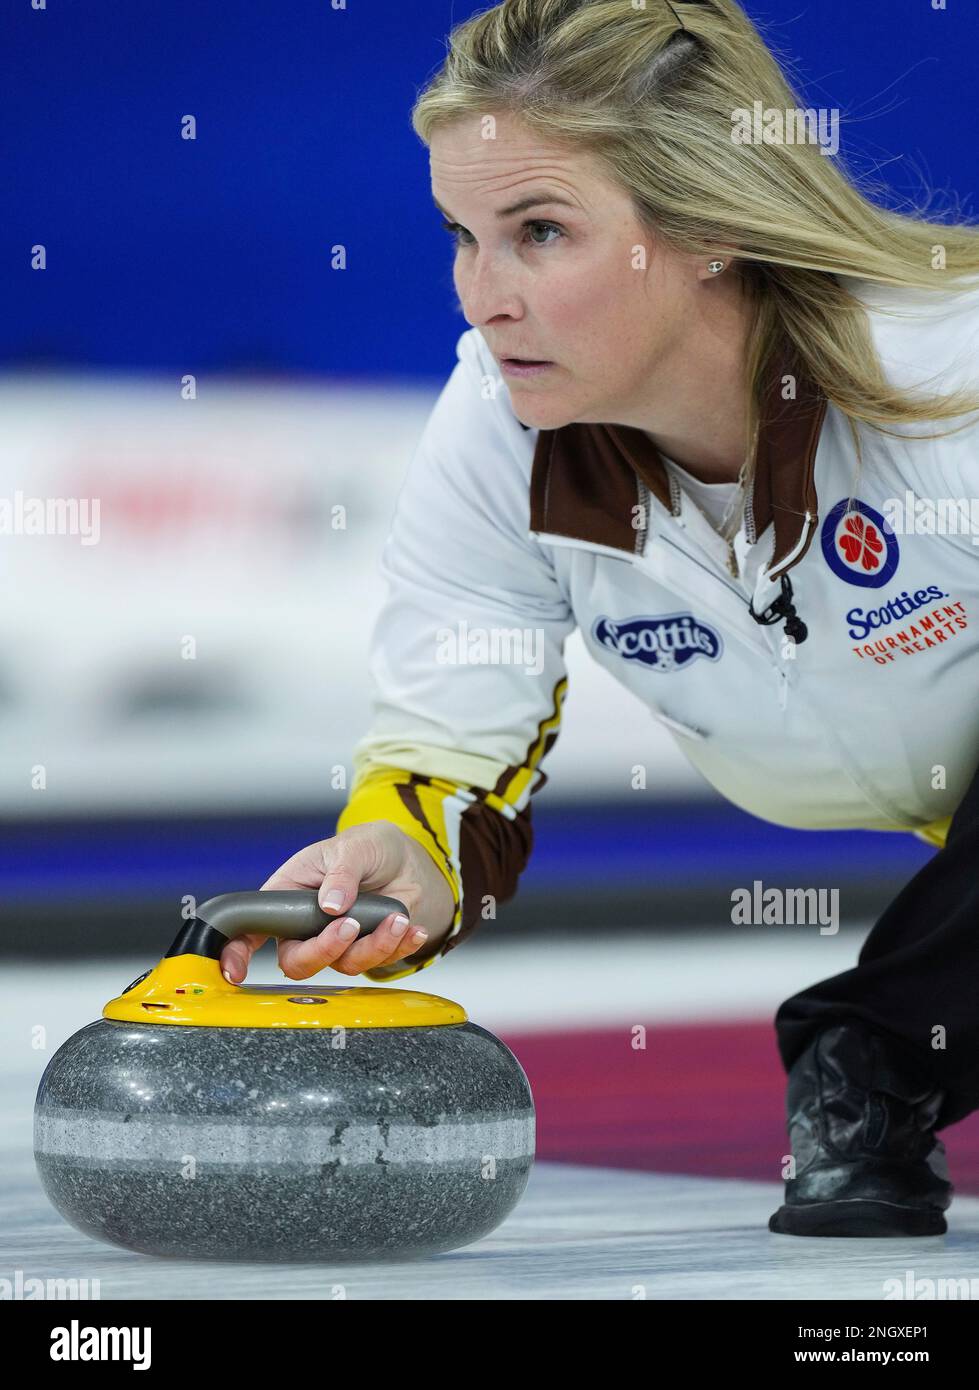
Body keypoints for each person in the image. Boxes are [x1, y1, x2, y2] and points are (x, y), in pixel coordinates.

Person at [222, 0, 979, 1237]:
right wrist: (395, 860)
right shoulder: (497, 430)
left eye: (540, 233)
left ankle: (870, 1054)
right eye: (462, 237)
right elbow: (447, 753)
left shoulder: (947, 376)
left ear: (711, 226)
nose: (483, 297)